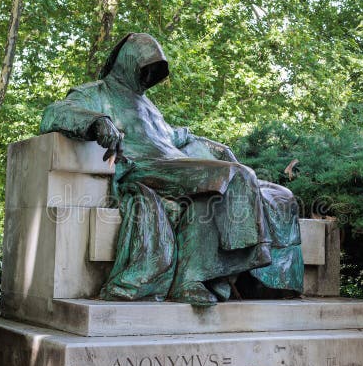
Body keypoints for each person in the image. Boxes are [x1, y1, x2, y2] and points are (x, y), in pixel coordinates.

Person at [40, 33, 303, 306]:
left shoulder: (149, 106)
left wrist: (217, 149)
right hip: (146, 168)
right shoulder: (97, 93)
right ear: (128, 62)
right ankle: (214, 271)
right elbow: (54, 113)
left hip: (178, 165)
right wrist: (97, 121)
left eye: (154, 70)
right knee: (238, 175)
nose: (149, 75)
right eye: (146, 67)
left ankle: (266, 282)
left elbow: (173, 137)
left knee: (280, 195)